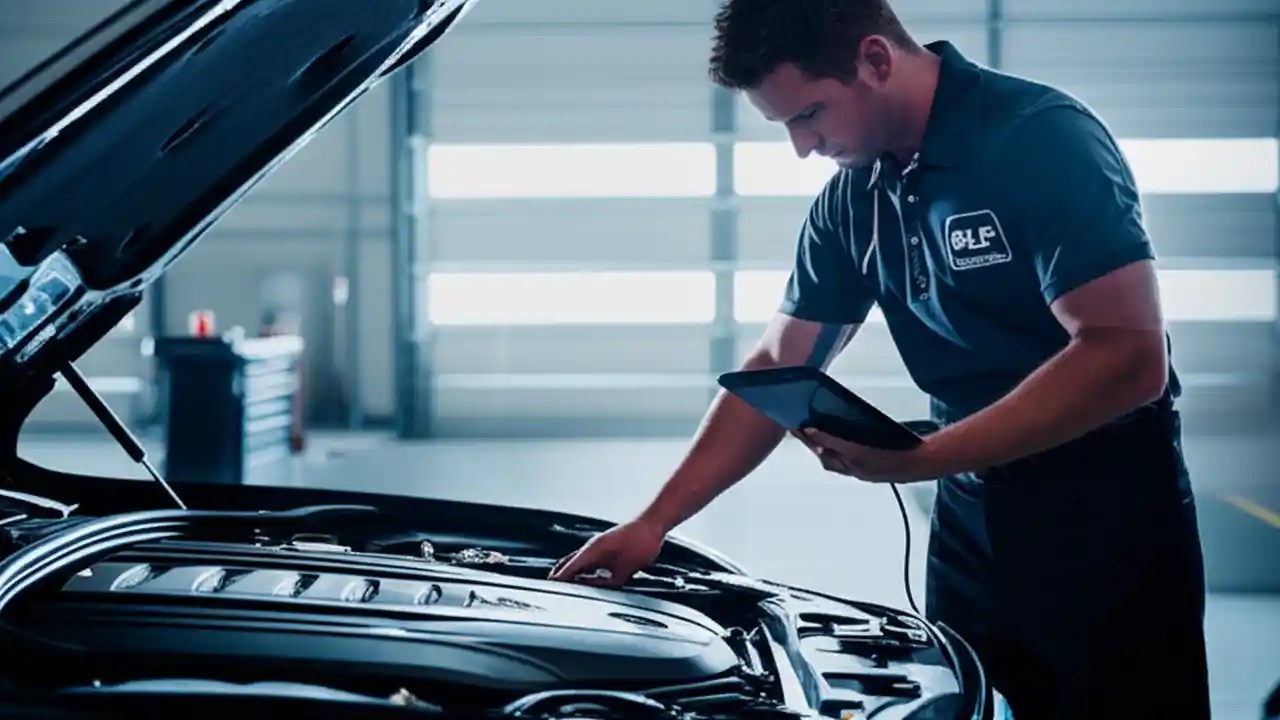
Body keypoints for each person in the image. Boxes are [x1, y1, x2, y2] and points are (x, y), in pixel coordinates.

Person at [549, 0, 1210, 717]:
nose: (802, 147)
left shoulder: (1039, 141)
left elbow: (1126, 356)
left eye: (809, 116)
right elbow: (777, 361)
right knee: (967, 702)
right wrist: (653, 524)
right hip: (967, 508)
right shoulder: (855, 196)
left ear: (875, 60)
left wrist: (925, 457)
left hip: (1104, 505)